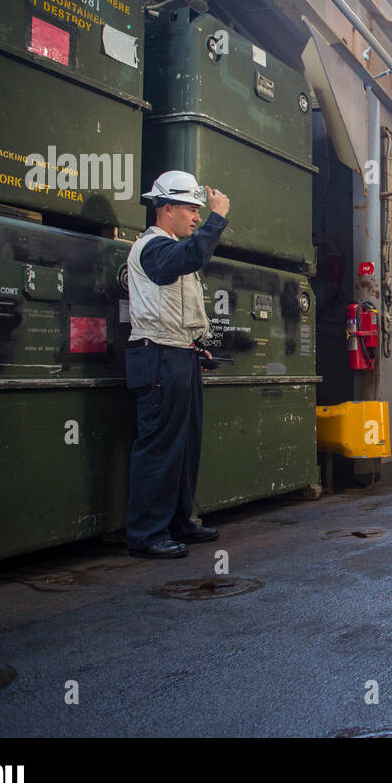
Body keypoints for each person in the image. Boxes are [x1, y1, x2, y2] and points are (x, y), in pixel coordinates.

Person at [124, 170, 230, 559]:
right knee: (159, 446)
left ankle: (177, 521)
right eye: (190, 209)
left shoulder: (169, 249)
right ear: (165, 209)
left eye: (201, 211)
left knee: (184, 445)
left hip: (178, 355)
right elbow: (192, 255)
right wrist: (219, 217)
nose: (197, 217)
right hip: (157, 359)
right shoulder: (153, 248)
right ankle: (146, 534)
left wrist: (194, 347)